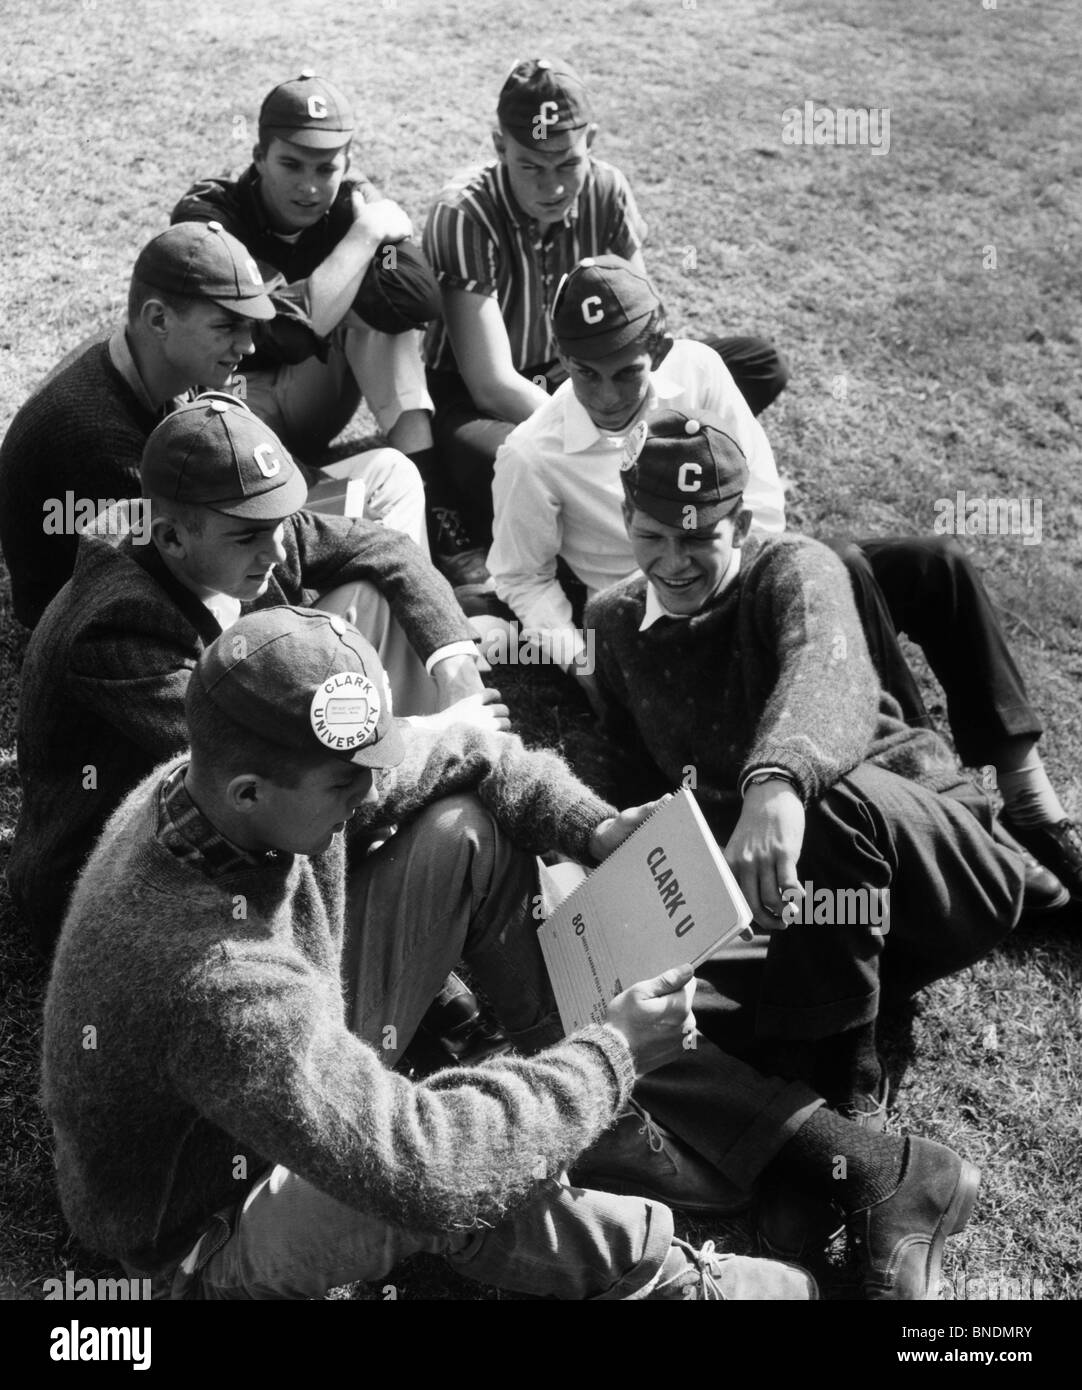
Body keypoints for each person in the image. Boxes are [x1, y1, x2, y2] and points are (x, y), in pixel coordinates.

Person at [41, 604, 984, 1300]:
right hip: (198, 1241)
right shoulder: (219, 980)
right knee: (425, 1180)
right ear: (249, 793)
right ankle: (677, 1275)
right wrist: (610, 1055)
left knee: (459, 830)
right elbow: (426, 1165)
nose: (365, 793)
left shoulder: (227, 779)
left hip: (283, 1061)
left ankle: (588, 1120)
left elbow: (465, 761)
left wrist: (594, 826)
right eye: (345, 785)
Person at [487, 256, 1081, 902]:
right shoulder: (531, 453)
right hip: (670, 626)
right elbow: (521, 578)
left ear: (658, 347)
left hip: (746, 570)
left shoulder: (700, 372)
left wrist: (769, 582)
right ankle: (948, 809)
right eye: (585, 375)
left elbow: (762, 505)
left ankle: (1027, 796)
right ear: (559, 359)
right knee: (844, 576)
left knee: (933, 564)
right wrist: (587, 660)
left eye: (627, 371)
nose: (607, 397)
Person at [585, 406, 1028, 1115]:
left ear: (740, 526)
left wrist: (778, 780)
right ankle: (819, 1014)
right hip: (787, 910)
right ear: (628, 520)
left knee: (825, 802)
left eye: (698, 538)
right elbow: (630, 774)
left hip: (931, 868)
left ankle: (836, 1077)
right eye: (652, 536)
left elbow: (828, 669)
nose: (673, 560)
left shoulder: (794, 566)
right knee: (637, 1006)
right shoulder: (614, 621)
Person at [7, 395, 482, 956]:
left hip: (230, 804)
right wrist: (435, 736)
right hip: (117, 880)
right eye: (251, 537)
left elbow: (386, 546)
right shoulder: (116, 628)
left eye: (278, 525)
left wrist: (455, 671)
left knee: (370, 591)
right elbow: (256, 761)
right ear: (171, 539)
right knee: (300, 797)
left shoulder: (232, 522)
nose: (277, 551)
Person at [421, 56, 788, 589]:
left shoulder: (608, 189)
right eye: (530, 166)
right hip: (483, 397)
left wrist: (626, 419)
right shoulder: (464, 211)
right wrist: (604, 439)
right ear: (499, 146)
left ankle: (618, 495)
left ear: (590, 140)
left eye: (566, 164)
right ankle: (585, 532)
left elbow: (642, 324)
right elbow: (490, 380)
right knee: (503, 457)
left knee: (757, 364)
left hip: (595, 370)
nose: (552, 187)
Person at [171, 72, 440, 521]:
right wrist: (367, 234)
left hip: (315, 394)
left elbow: (417, 297)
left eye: (326, 168)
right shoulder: (212, 213)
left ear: (347, 164)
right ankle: (316, 512)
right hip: (235, 399)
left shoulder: (348, 201)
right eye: (292, 165)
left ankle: (433, 497)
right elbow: (279, 332)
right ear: (260, 157)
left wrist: (363, 206)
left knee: (382, 328)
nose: (310, 187)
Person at [0, 221, 283, 627]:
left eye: (249, 326)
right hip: (97, 620)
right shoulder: (96, 436)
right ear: (158, 319)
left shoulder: (158, 360)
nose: (248, 345)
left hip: (147, 569)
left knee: (384, 477)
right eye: (226, 327)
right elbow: (190, 560)